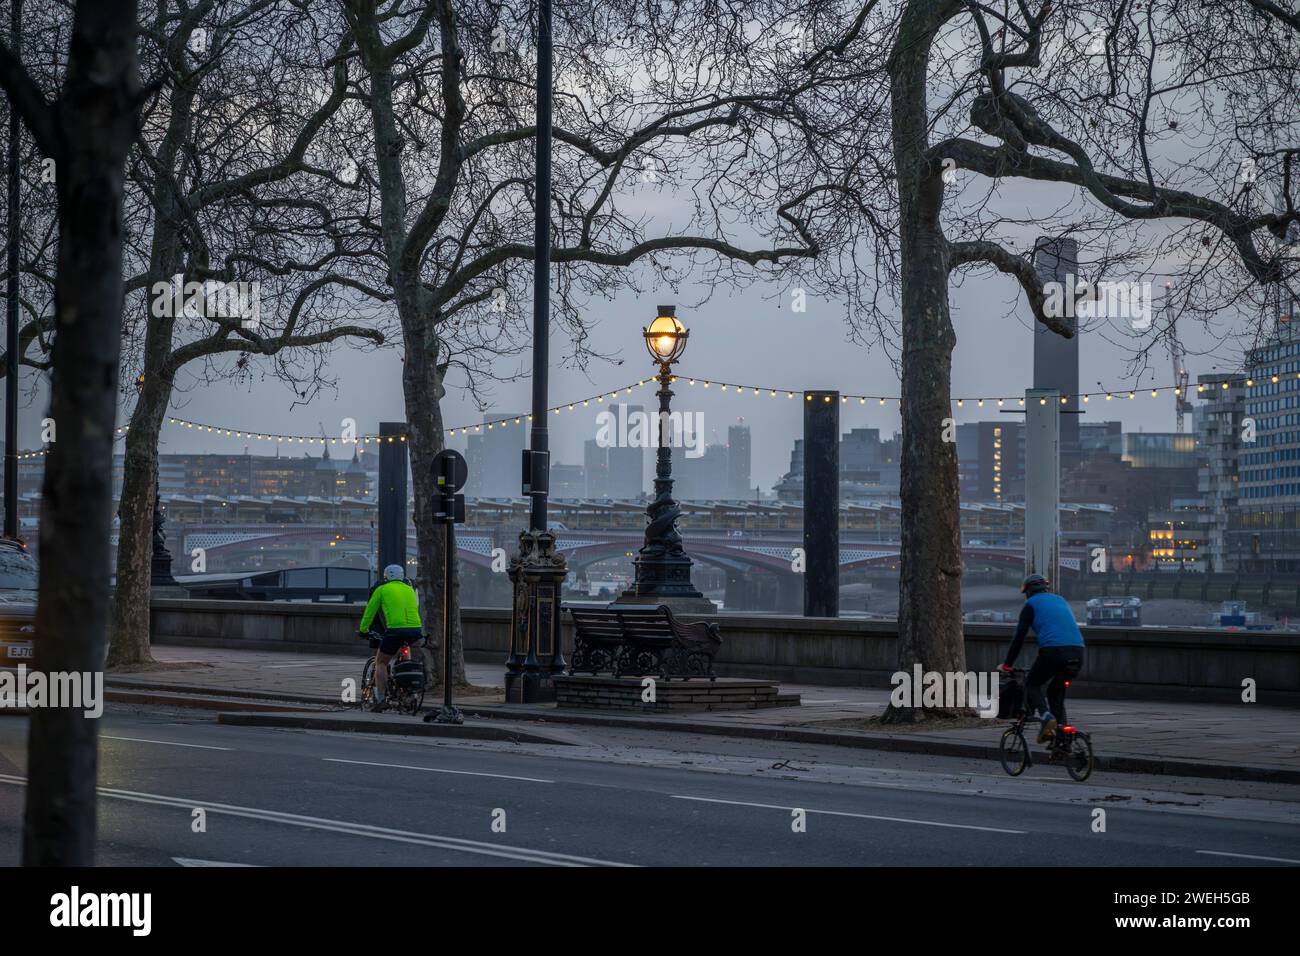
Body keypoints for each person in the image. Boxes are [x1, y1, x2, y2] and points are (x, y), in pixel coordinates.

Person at [998, 573, 1085, 744]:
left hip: (1054, 651)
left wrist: (1007, 665)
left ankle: (1046, 717)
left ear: (1028, 592)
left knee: (1032, 684)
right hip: (1078, 651)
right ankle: (1063, 742)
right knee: (1056, 692)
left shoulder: (1030, 605)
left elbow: (1019, 638)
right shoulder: (1060, 600)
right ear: (1046, 588)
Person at [359, 564, 423, 712]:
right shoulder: (410, 589)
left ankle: (381, 700)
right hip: (415, 629)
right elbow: (416, 607)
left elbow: (370, 612)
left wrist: (363, 630)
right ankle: (408, 694)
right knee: (404, 652)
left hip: (395, 629)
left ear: (386, 577)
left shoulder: (382, 589)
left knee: (381, 662)